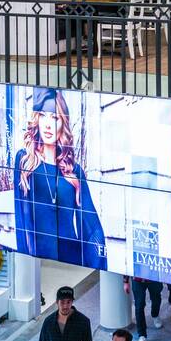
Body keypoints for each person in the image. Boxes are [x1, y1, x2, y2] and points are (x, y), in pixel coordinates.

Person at [13, 88, 107, 269]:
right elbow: (22, 221)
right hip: (38, 258)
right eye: (43, 116)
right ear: (37, 119)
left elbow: (91, 225)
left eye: (55, 118)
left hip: (71, 259)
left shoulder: (74, 171)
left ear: (62, 124)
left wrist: (99, 266)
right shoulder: (25, 161)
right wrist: (24, 260)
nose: (48, 125)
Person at [124, 275, 164, 341]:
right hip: (137, 278)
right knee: (139, 306)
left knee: (156, 299)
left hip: (154, 277)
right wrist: (125, 281)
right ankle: (142, 335)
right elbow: (127, 263)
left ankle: (155, 314)